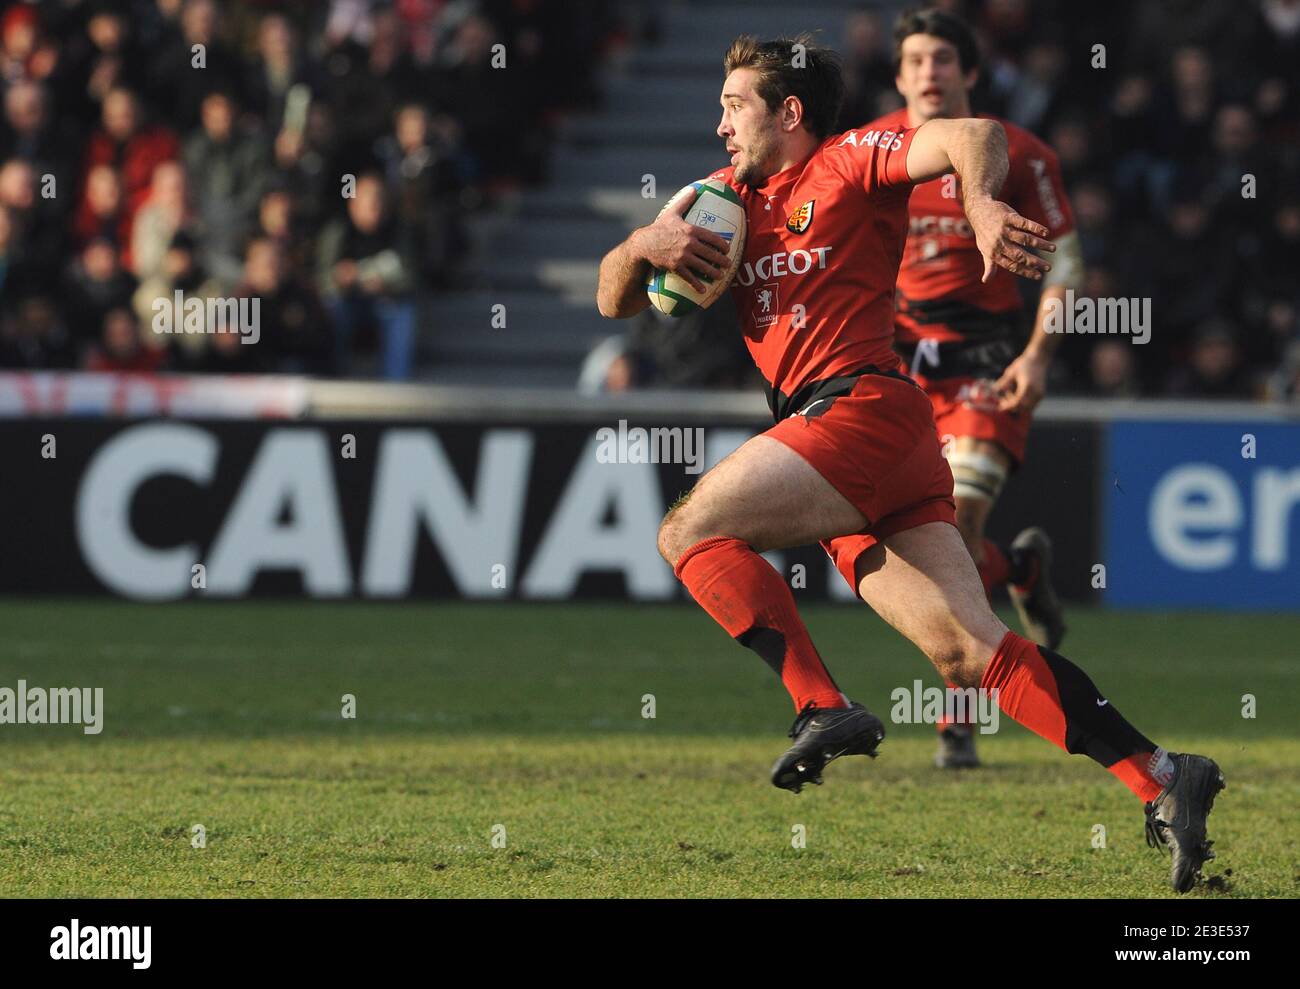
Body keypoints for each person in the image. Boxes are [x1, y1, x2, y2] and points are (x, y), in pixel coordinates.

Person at [594, 33, 1223, 894]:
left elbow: (974, 137)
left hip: (857, 409)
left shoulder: (852, 159)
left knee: (687, 529)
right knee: (970, 653)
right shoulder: (720, 203)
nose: (720, 123)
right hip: (870, 442)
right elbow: (611, 295)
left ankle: (820, 704)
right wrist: (643, 246)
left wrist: (982, 208)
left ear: (790, 113)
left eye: (734, 105)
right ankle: (1161, 773)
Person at [865, 9, 1081, 768]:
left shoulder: (1020, 154)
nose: (930, 71)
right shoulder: (875, 151)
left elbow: (1067, 263)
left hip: (988, 368)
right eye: (916, 59)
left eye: (944, 58)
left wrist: (1040, 356)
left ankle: (956, 721)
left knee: (953, 531)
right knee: (934, 550)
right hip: (899, 374)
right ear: (898, 75)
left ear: (971, 74)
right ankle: (1019, 569)